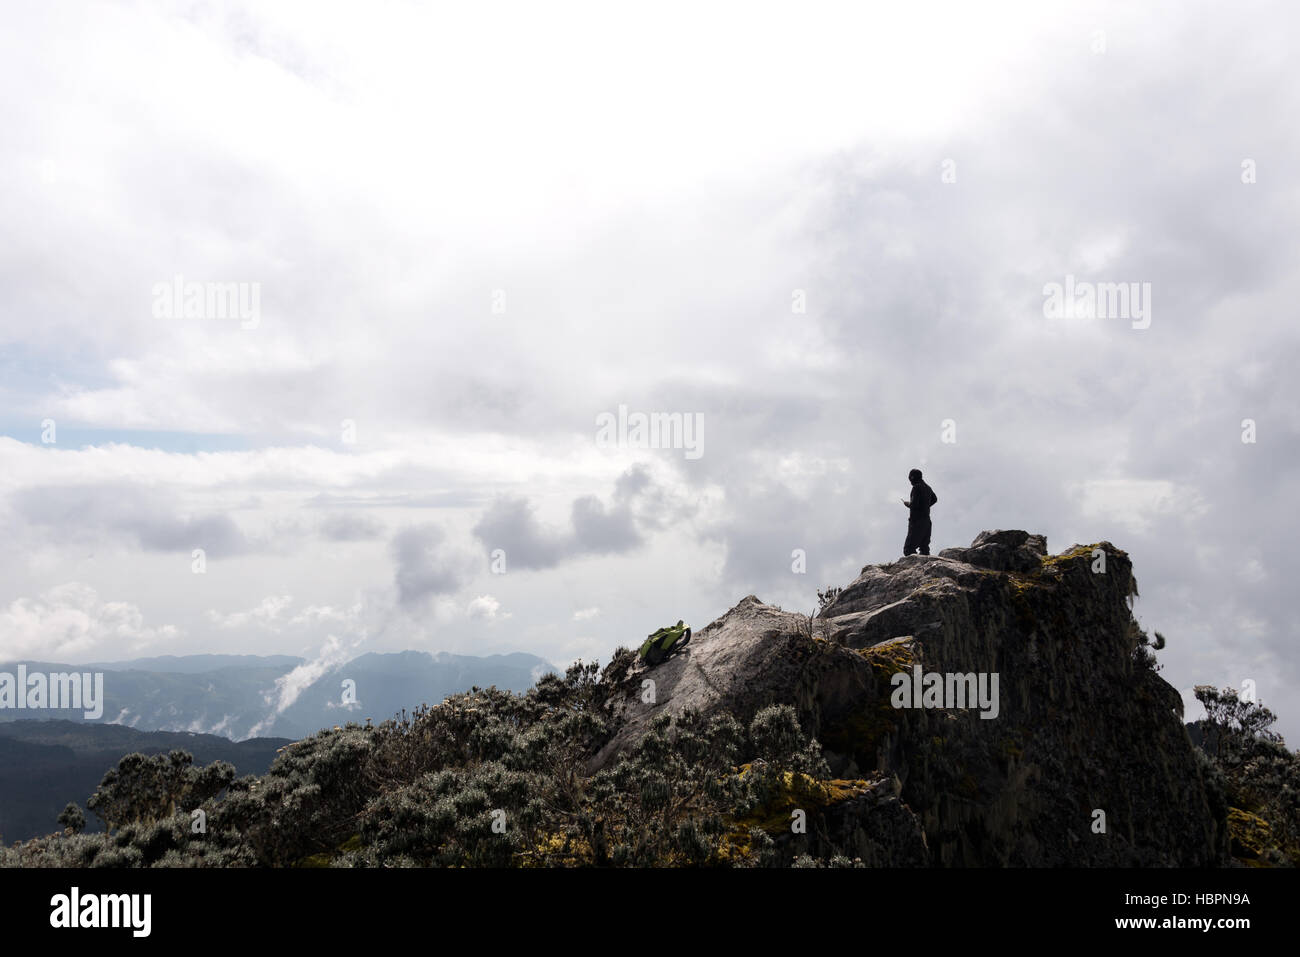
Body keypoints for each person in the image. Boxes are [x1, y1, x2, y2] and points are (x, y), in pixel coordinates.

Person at [901, 468, 938, 556]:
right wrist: (925, 506)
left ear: (912, 478)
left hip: (917, 521)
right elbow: (935, 499)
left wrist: (908, 504)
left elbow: (914, 505)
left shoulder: (916, 487)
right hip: (927, 521)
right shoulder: (928, 487)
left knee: (909, 549)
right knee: (924, 548)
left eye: (910, 478)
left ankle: (915, 568)